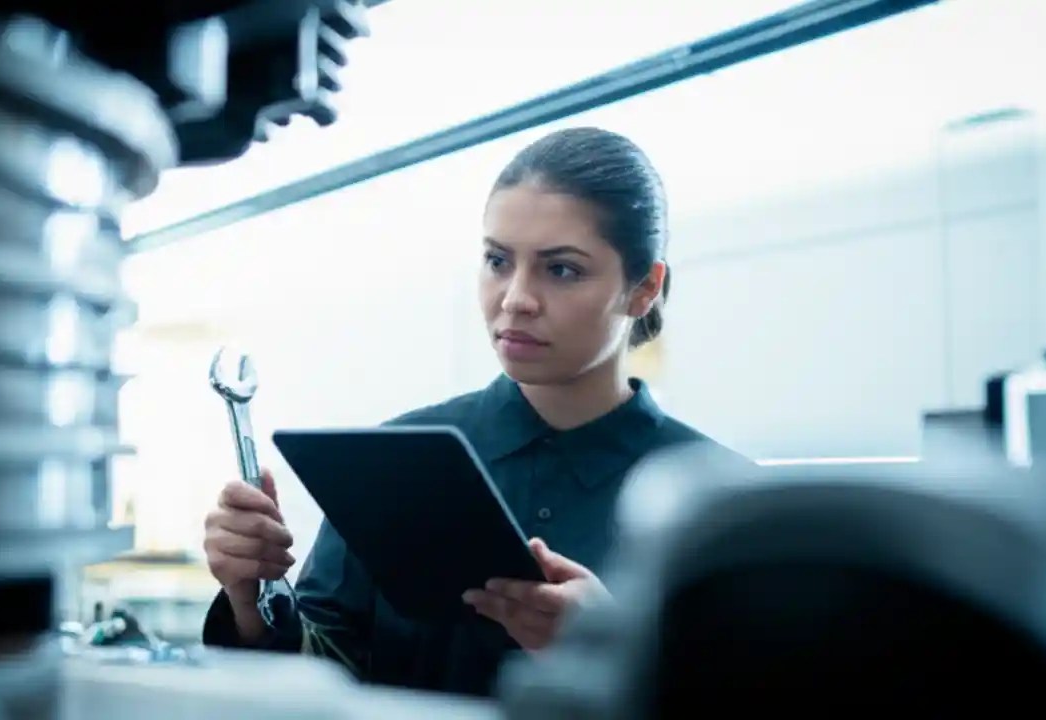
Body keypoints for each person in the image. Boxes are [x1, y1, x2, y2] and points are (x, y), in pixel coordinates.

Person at [200, 127, 736, 697]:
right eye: (498, 261)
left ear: (644, 288)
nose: (515, 299)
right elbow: (320, 670)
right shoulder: (395, 461)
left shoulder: (720, 502)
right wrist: (249, 599)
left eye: (561, 269)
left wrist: (617, 651)